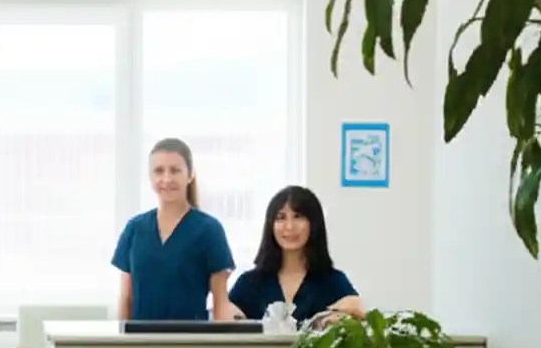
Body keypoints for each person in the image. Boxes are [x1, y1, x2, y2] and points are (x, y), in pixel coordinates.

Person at [111, 138, 237, 321]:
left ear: (190, 175)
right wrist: (120, 346)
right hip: (139, 343)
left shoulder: (209, 230)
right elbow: (126, 299)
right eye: (159, 171)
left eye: (175, 170)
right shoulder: (135, 228)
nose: (167, 179)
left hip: (190, 343)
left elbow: (220, 304)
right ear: (150, 176)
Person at [228, 185, 363, 325]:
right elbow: (226, 325)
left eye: (298, 217)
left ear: (314, 224)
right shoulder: (249, 283)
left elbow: (358, 320)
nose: (289, 227)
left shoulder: (334, 282)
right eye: (281, 218)